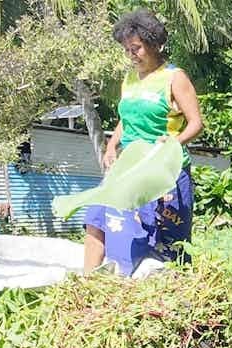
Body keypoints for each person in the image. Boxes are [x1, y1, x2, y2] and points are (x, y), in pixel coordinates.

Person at [83, 9, 204, 278]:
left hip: (165, 171)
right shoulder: (130, 80)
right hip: (129, 167)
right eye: (127, 49)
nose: (131, 54)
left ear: (154, 44)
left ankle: (170, 295)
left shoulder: (174, 77)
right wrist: (112, 146)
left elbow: (196, 123)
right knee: (97, 218)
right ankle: (87, 284)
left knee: (166, 243)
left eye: (136, 48)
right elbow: (125, 119)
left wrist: (174, 142)